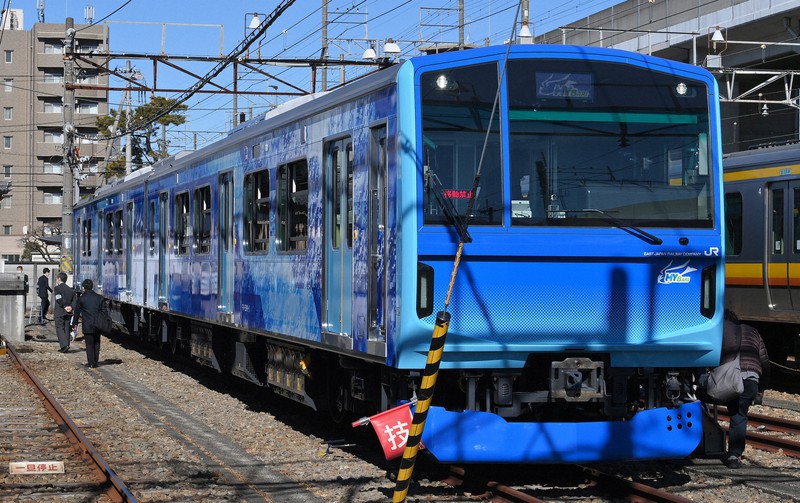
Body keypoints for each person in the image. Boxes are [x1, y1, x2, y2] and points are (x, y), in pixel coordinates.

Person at [721, 309, 770, 468]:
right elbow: (764, 361)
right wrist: (761, 388)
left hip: (728, 380)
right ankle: (735, 455)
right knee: (739, 416)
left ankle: (728, 453)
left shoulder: (722, 330)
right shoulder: (753, 332)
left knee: (702, 397)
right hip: (751, 380)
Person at [71, 279, 108, 369]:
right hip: (97, 324)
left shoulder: (81, 298)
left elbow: (76, 313)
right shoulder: (99, 298)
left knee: (89, 344)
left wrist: (74, 324)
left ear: (84, 288)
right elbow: (105, 312)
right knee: (97, 343)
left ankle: (91, 363)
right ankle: (96, 361)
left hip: (87, 325)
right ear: (92, 287)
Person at [53, 272, 76, 353]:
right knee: (67, 329)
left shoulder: (57, 288)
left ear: (59, 279)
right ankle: (67, 345)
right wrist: (71, 307)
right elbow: (74, 301)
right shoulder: (71, 290)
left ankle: (64, 345)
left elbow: (58, 299)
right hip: (69, 312)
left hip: (60, 311)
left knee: (59, 328)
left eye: (56, 278)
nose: (56, 280)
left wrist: (65, 306)